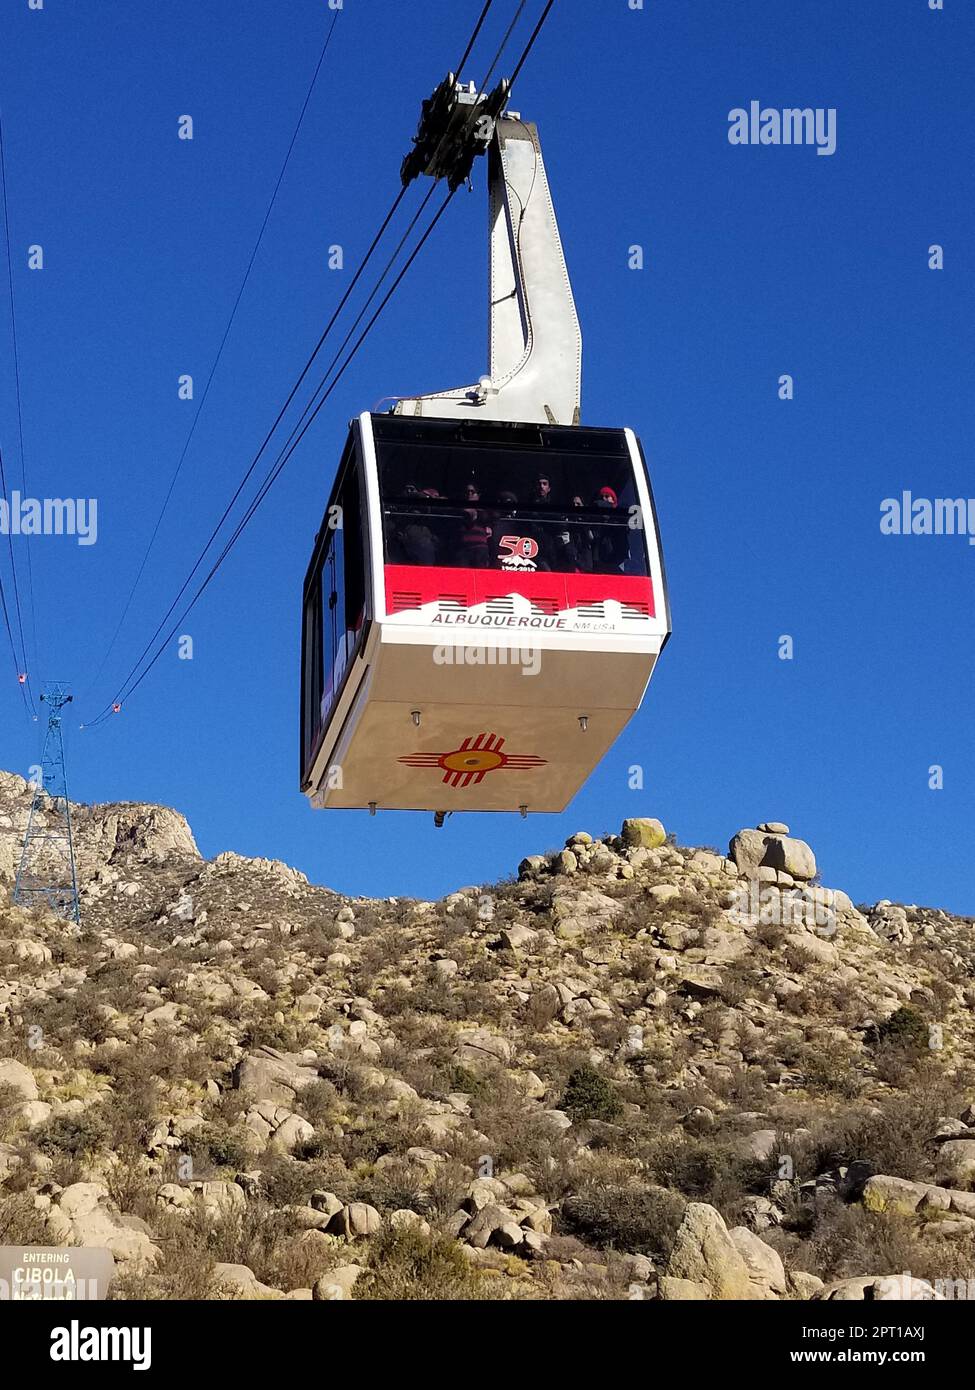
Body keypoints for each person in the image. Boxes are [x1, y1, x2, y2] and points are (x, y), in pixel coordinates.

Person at [454, 482, 492, 568]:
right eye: (467, 492)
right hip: (463, 549)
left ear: (478, 495)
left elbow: (490, 524)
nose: (469, 494)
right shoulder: (458, 510)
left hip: (480, 549)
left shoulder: (484, 512)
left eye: (472, 491)